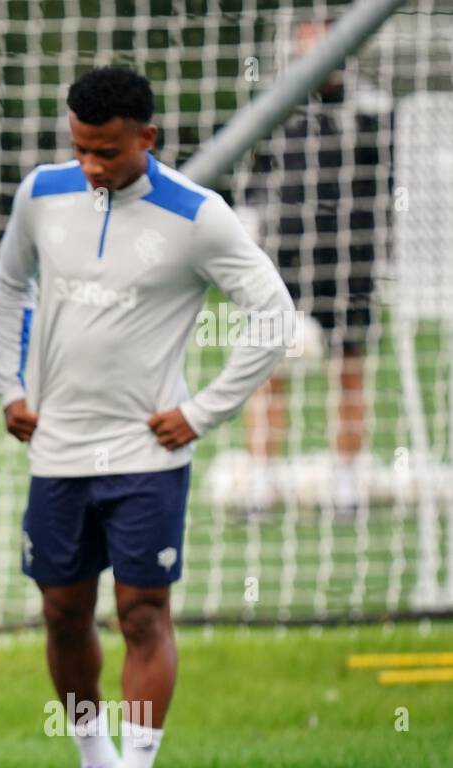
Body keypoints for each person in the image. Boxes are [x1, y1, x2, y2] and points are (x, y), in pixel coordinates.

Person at [0, 67, 293, 768]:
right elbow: (8, 285)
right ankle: (92, 767)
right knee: (62, 613)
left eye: (108, 152)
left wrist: (201, 412)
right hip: (55, 450)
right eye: (81, 148)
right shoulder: (42, 193)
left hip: (145, 458)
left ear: (147, 139)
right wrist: (8, 386)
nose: (91, 165)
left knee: (142, 613)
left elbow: (272, 314)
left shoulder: (200, 217)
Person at [238, 18, 393, 513]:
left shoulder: (371, 108)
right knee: (266, 368)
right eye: (307, 49)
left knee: (349, 368)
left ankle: (346, 480)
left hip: (350, 257)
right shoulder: (276, 107)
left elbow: (387, 184)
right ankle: (262, 478)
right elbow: (256, 179)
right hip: (283, 258)